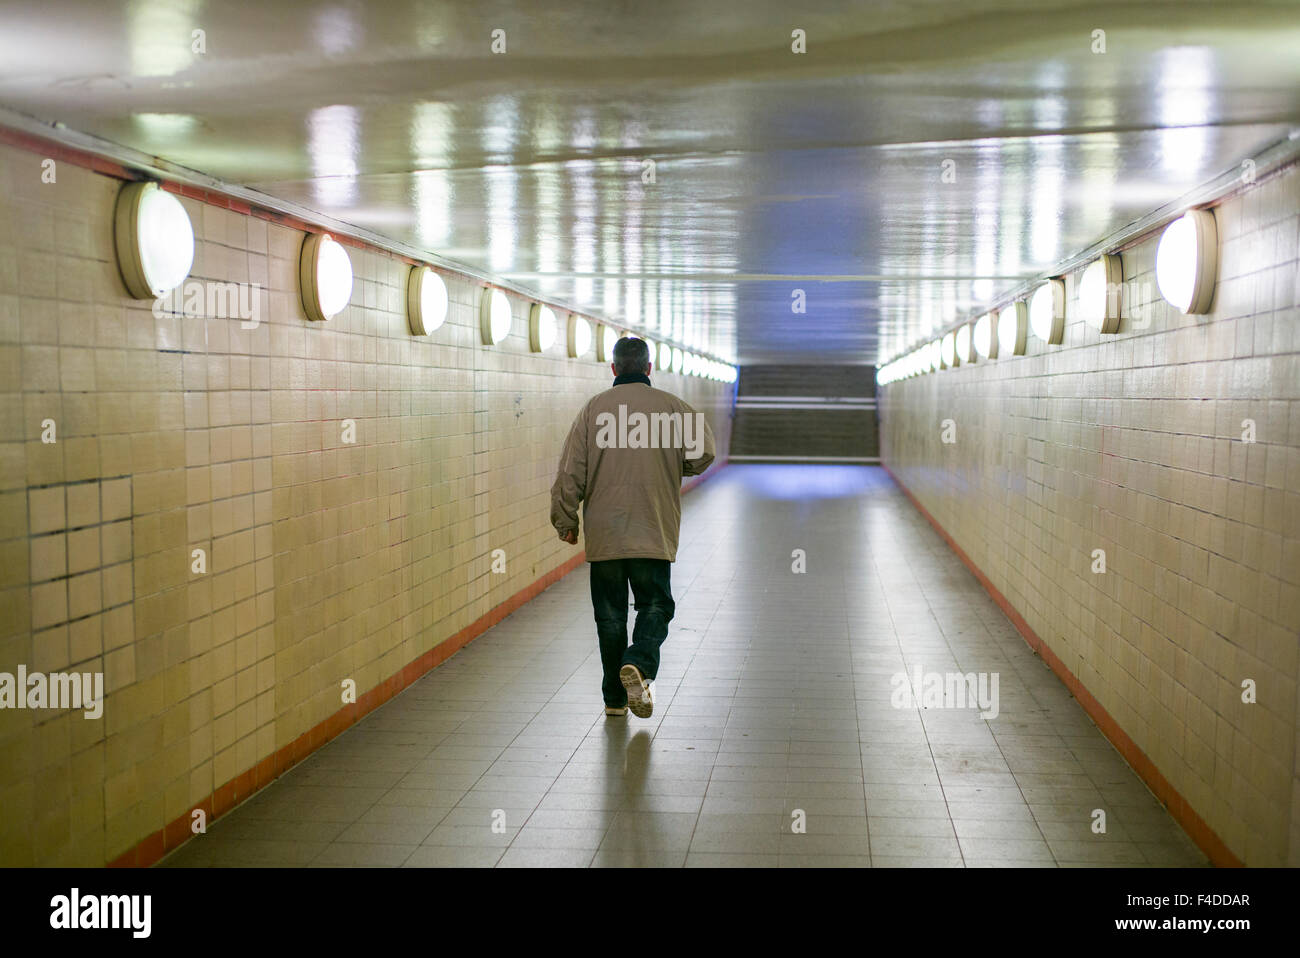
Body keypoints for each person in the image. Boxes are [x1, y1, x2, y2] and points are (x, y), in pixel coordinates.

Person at [550, 337, 716, 718]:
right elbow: (705, 452)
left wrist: (566, 520)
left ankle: (614, 700)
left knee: (609, 617)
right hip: (652, 528)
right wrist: (675, 465)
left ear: (613, 369)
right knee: (656, 604)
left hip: (605, 534)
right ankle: (639, 664)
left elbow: (570, 471)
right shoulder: (673, 407)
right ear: (648, 368)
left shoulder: (593, 410)